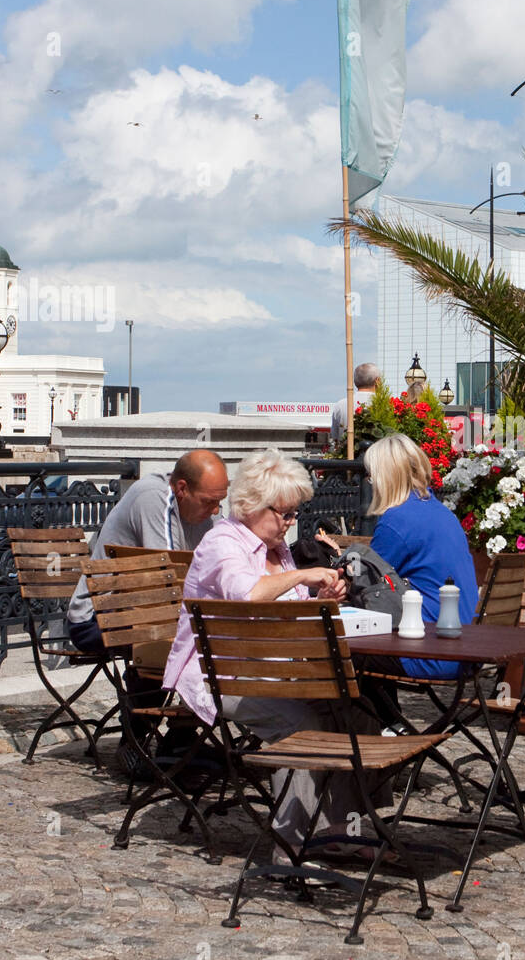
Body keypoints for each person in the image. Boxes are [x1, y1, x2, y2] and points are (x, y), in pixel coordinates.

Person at [162, 449, 373, 856]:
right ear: (253, 505)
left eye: (294, 514)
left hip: (279, 669)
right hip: (225, 675)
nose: (291, 523)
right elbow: (248, 595)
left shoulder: (276, 548)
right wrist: (305, 574)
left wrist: (322, 598)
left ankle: (345, 829)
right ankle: (292, 847)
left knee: (357, 712)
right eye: (285, 513)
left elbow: (288, 615)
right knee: (303, 728)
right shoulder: (223, 543)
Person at [66, 448, 229, 652]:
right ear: (182, 488)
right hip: (95, 618)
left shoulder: (205, 509)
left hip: (147, 612)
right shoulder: (154, 497)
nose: (215, 510)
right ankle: (146, 680)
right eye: (209, 502)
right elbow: (169, 581)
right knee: (202, 632)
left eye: (219, 501)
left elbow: (228, 558)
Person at [365, 433, 478, 680]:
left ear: (385, 477)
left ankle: (363, 719)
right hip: (467, 646)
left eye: (371, 475)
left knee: (338, 647)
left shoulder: (397, 520)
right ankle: (385, 717)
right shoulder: (440, 511)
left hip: (431, 649)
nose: (370, 482)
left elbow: (364, 583)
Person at [330, 361, 380, 443]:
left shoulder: (340, 405)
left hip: (347, 453)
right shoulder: (384, 404)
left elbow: (335, 436)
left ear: (355, 381)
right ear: (377, 380)